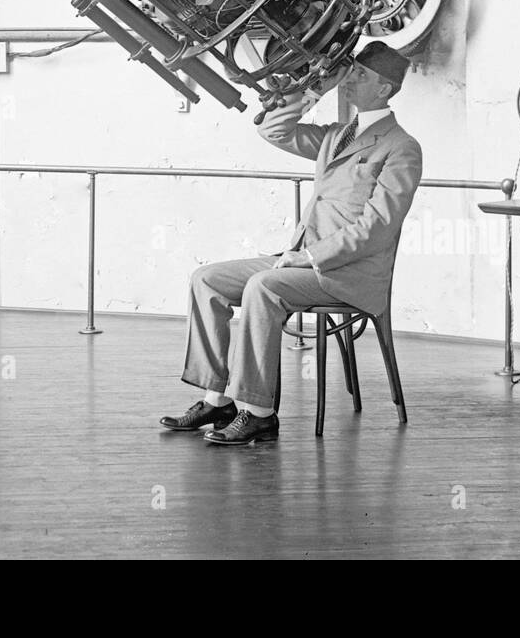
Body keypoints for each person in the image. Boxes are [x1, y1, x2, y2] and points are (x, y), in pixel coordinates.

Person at [160, 39, 423, 446]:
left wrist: (310, 257)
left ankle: (259, 413)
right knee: (206, 278)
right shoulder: (337, 134)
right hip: (300, 259)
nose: (348, 80)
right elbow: (273, 129)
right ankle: (217, 398)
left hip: (346, 274)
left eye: (359, 75)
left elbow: (378, 227)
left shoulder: (401, 147)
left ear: (385, 88)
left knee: (263, 287)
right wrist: (312, 90)